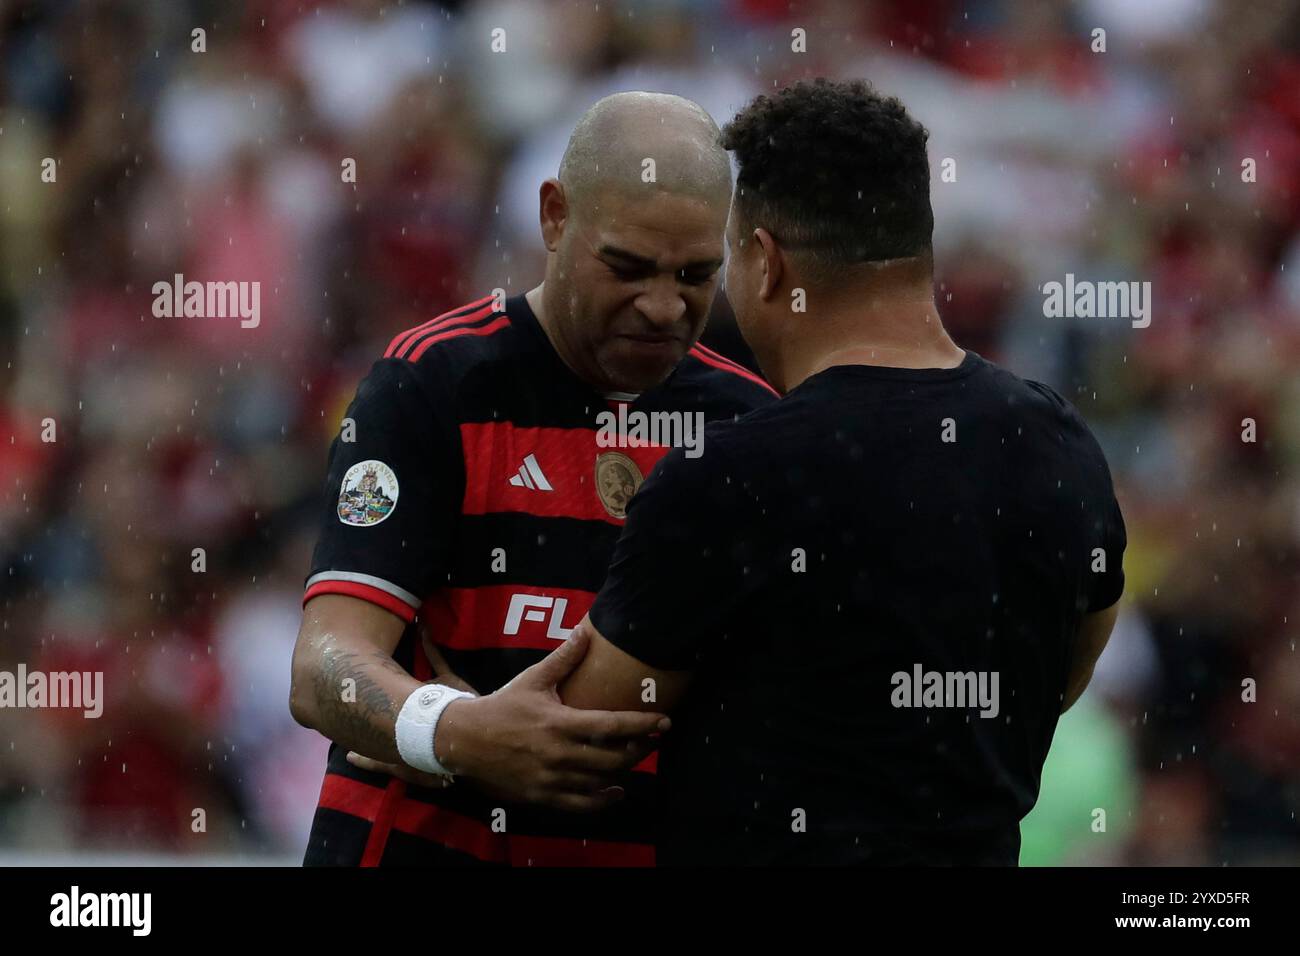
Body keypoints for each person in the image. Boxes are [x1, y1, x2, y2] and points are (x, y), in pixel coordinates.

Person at [557, 78, 1128, 865]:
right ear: (918, 245)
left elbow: (575, 747)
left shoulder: (730, 476)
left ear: (764, 264)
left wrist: (434, 726)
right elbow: (1064, 678)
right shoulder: (1065, 446)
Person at [289, 91, 776, 866]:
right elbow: (323, 670)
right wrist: (453, 732)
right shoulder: (432, 382)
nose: (662, 306)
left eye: (695, 274)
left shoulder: (753, 425)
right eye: (627, 266)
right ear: (554, 216)